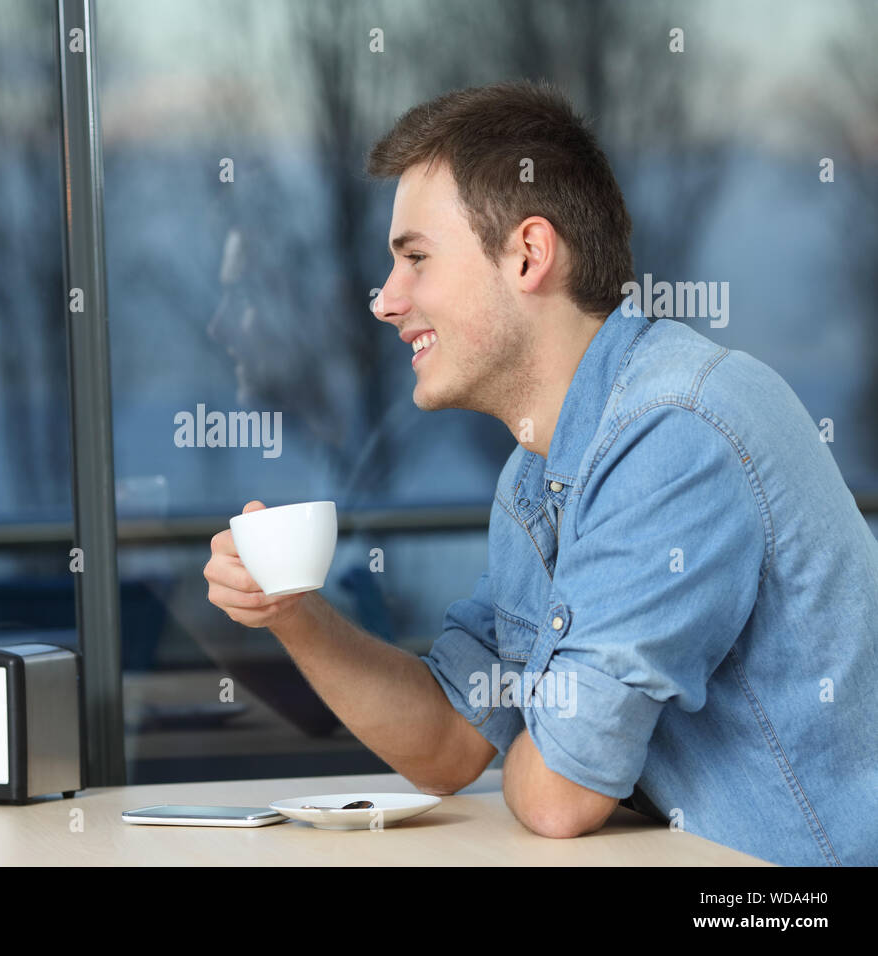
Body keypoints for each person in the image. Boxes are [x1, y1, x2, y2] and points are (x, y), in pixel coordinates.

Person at [203, 80, 878, 866]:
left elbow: (560, 796)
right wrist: (290, 611)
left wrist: (555, 741)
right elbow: (449, 744)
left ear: (528, 253)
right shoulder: (537, 477)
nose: (385, 301)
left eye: (416, 258)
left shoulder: (676, 431)